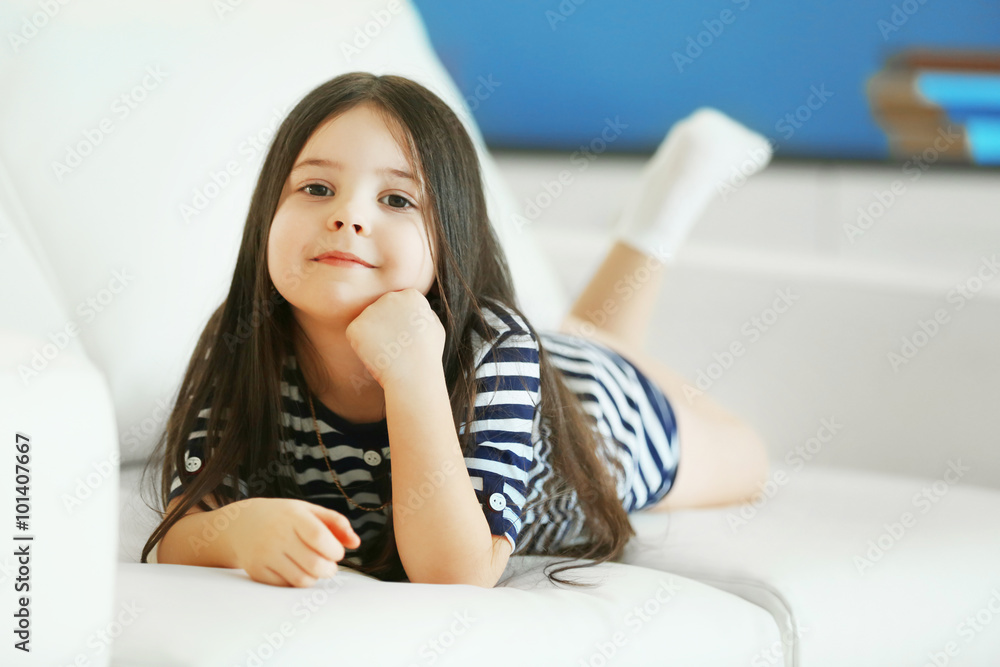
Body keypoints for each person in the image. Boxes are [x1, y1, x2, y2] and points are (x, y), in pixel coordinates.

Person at [139, 71, 772, 589]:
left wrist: (411, 370)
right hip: (529, 365)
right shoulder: (242, 337)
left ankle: (659, 219)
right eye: (316, 187)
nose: (347, 215)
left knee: (750, 460)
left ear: (451, 242)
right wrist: (239, 530)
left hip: (595, 419)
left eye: (397, 200)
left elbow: (456, 573)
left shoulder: (493, 346)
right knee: (581, 333)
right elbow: (180, 529)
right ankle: (600, 306)